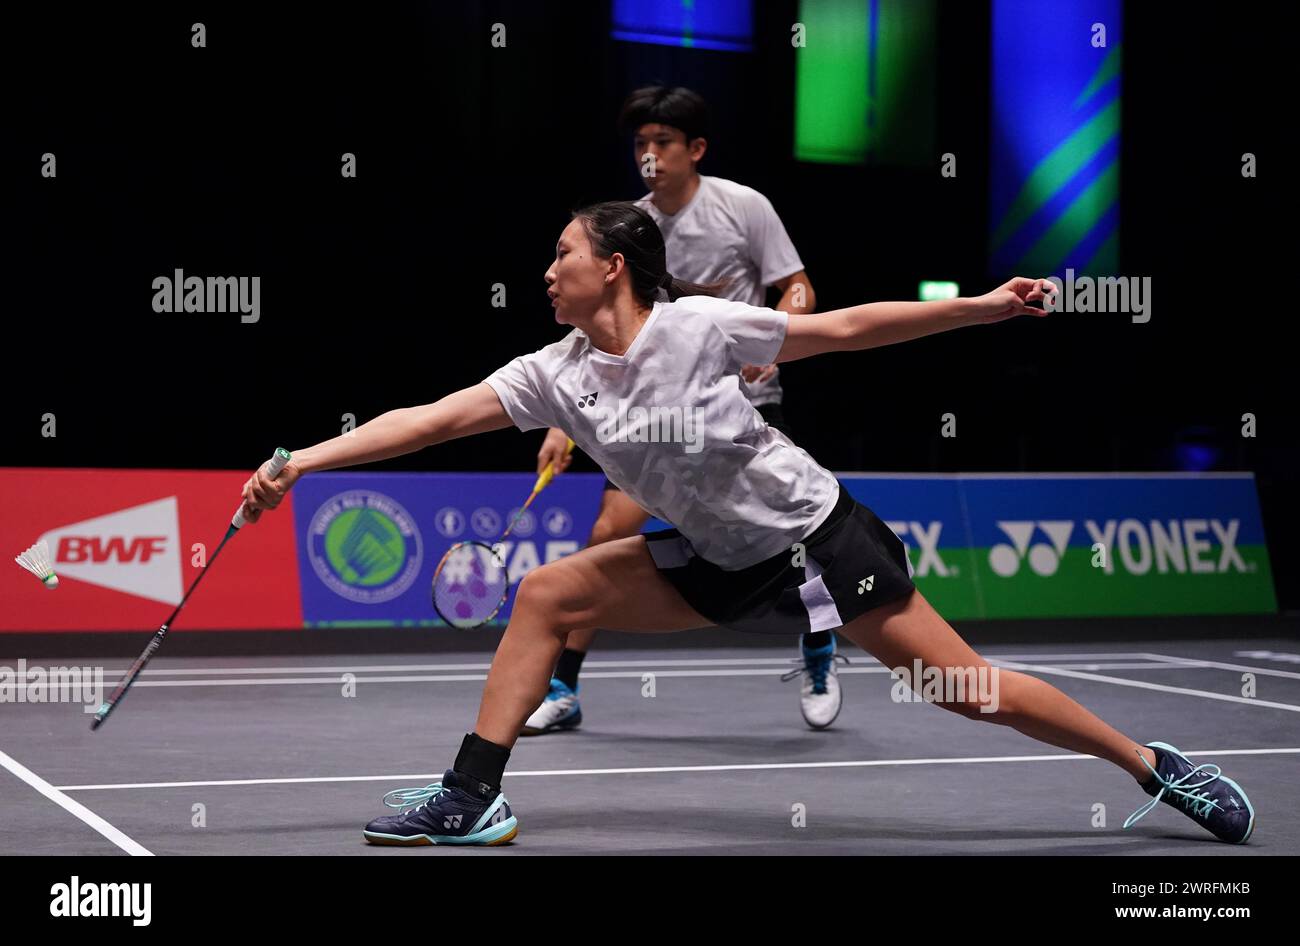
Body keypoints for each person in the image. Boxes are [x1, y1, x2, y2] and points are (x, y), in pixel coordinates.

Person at [240, 202, 1255, 848]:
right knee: (551, 592)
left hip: (817, 539)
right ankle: (473, 794)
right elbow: (424, 419)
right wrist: (297, 463)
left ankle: (1152, 765)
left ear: (616, 267)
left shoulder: (698, 329)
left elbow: (844, 328)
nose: (547, 272)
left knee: (968, 689)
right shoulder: (550, 373)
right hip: (714, 557)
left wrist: (983, 308)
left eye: (562, 254)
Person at [527, 86, 838, 736]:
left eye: (662, 142)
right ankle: (563, 686)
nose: (649, 155)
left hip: (741, 410)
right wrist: (562, 419)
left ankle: (818, 647)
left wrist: (783, 333)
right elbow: (591, 330)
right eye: (640, 143)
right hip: (648, 416)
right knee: (608, 534)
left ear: (695, 148)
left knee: (794, 545)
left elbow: (797, 284)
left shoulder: (743, 207)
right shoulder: (625, 226)